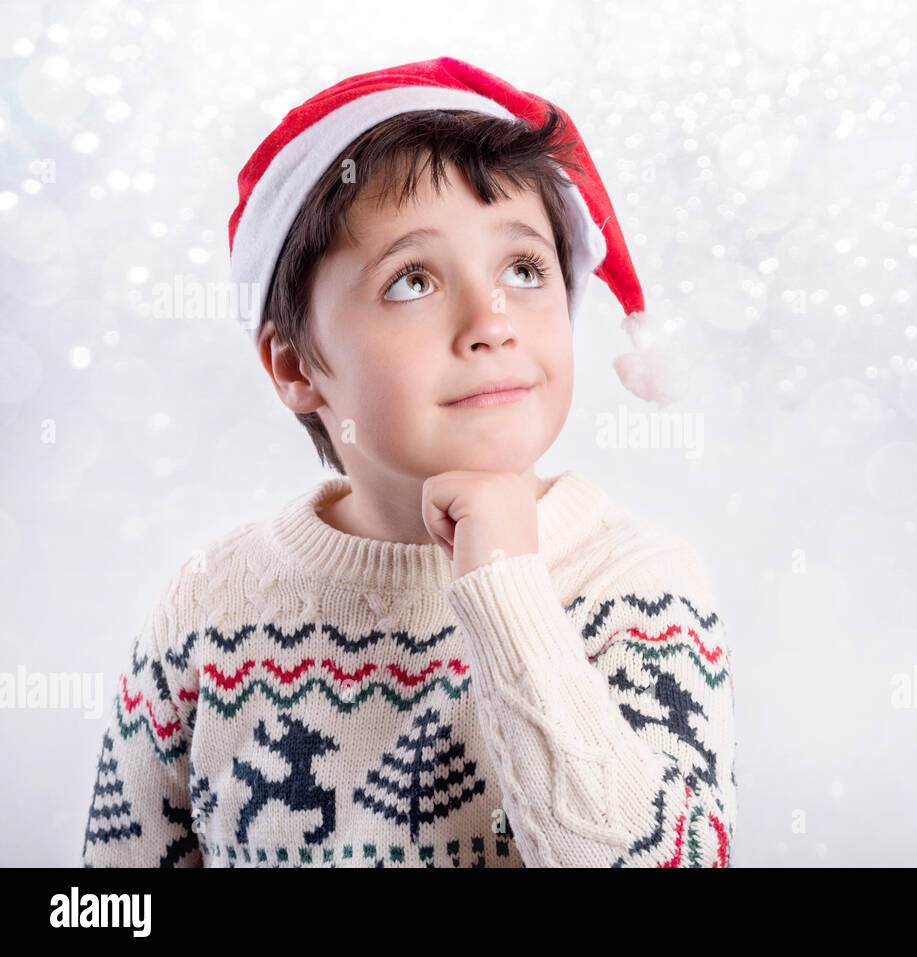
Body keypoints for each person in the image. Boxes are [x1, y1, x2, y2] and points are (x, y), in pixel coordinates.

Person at [80, 56, 735, 868]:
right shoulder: (209, 603)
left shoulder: (640, 583)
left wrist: (504, 591)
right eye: (413, 280)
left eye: (524, 270)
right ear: (294, 366)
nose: (490, 322)